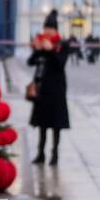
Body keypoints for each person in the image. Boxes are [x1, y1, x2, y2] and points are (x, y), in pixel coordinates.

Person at [28, 11, 70, 166]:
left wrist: (51, 50)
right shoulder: (41, 42)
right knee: (42, 123)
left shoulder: (62, 44)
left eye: (50, 28)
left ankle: (55, 154)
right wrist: (37, 49)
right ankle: (40, 153)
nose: (47, 31)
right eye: (46, 28)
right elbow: (31, 62)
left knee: (56, 124)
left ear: (56, 30)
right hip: (42, 88)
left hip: (57, 90)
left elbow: (60, 64)